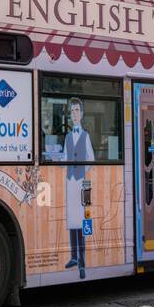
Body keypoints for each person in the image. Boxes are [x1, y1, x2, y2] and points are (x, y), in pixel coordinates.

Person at [63, 98, 95, 279]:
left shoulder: (86, 136)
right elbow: (65, 157)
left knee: (81, 223)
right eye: (72, 111)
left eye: (77, 110)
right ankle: (73, 257)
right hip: (70, 182)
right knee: (72, 222)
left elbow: (91, 158)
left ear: (81, 114)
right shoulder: (68, 137)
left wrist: (82, 171)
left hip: (80, 182)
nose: (74, 114)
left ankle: (82, 262)